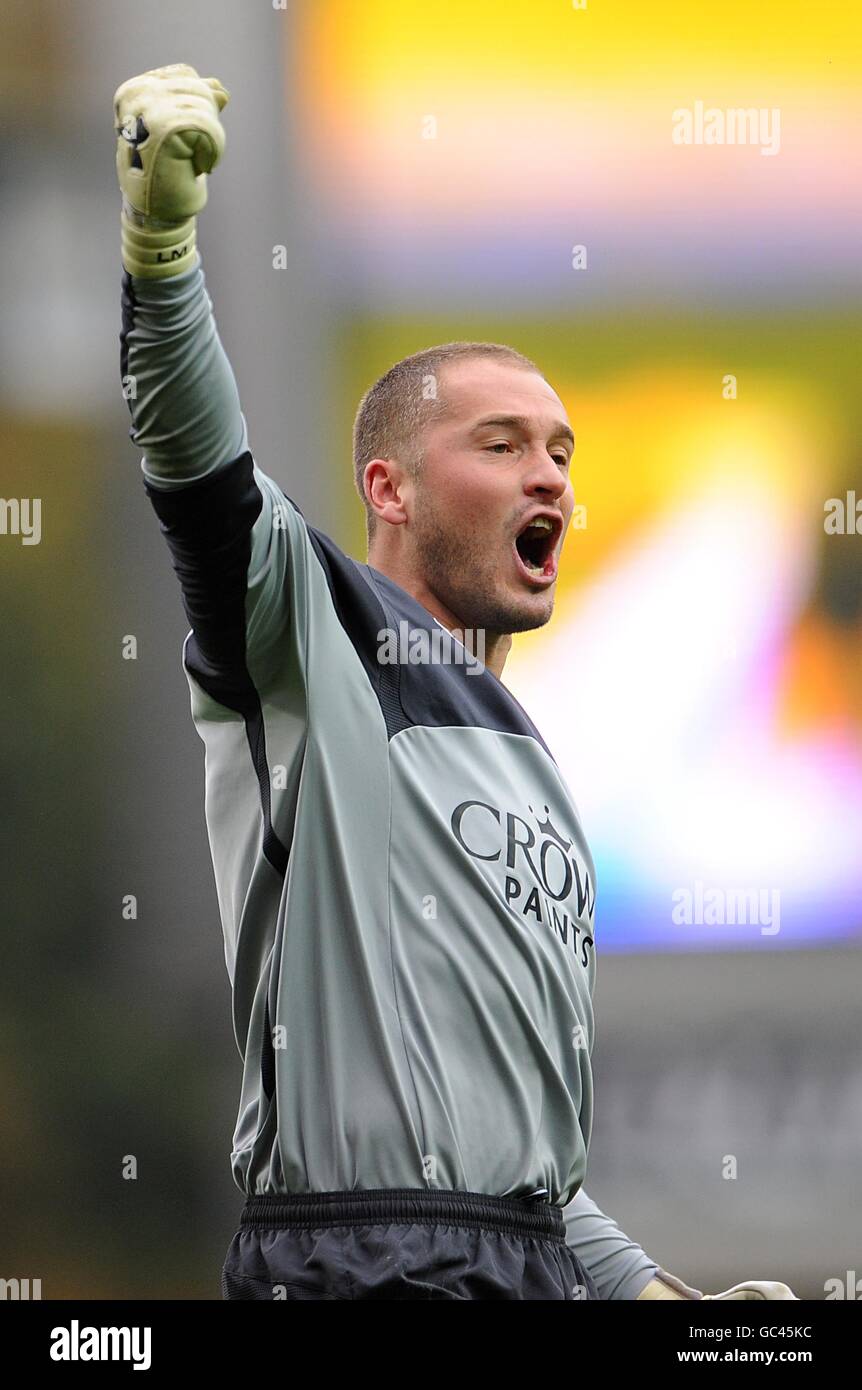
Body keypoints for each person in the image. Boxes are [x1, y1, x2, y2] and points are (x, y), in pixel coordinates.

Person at [114, 63, 797, 1302]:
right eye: (500, 444)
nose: (551, 477)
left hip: (519, 1268)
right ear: (391, 490)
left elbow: (523, 1170)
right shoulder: (313, 635)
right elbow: (195, 462)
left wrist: (663, 1304)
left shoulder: (538, 770)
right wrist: (161, 248)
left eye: (560, 452)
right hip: (351, 1258)